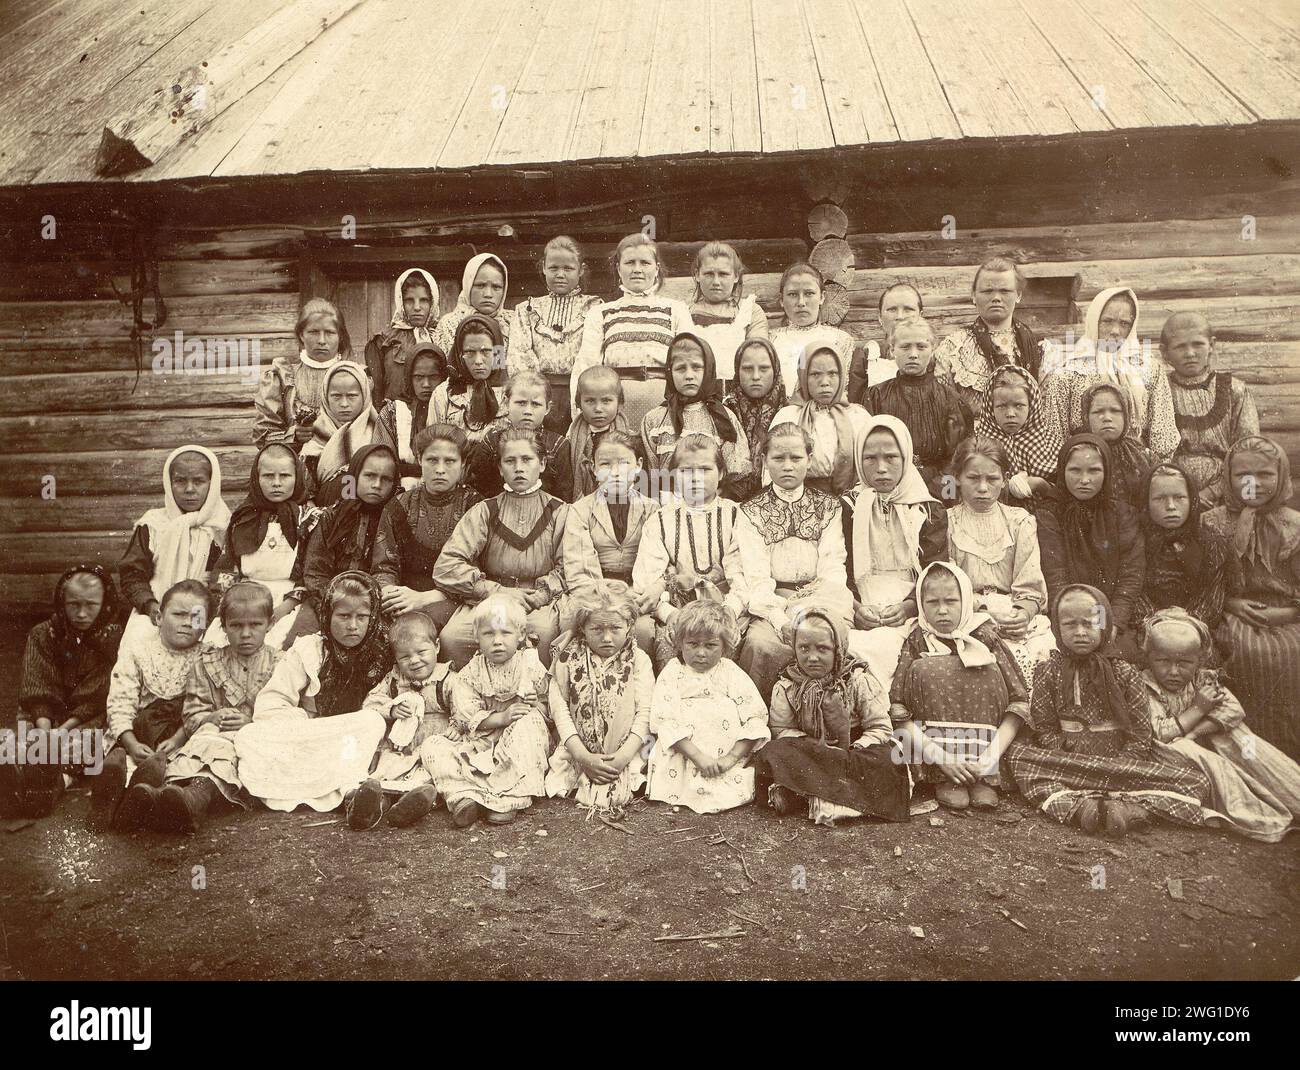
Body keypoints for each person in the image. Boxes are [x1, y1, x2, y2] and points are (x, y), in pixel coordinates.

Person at [1001, 585, 1210, 836]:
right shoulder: (1049, 671)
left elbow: (1140, 732)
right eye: (1069, 625)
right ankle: (1082, 809)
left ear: (1104, 624)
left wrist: (1123, 763)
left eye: (1089, 624)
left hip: (1119, 766)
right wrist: (1065, 750)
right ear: (1056, 627)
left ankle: (1131, 812)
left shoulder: (1124, 672)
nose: (1080, 632)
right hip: (1070, 764)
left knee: (1196, 781)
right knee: (1018, 757)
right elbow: (1045, 727)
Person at [116, 581, 279, 833]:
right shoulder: (208, 663)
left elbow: (288, 712)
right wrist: (211, 716)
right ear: (223, 627)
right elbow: (191, 714)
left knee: (226, 750)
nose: (246, 633)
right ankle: (161, 800)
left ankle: (194, 799)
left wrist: (251, 722)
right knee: (205, 742)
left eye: (255, 625)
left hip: (257, 738)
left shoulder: (281, 664)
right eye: (236, 625)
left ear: (270, 624)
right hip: (211, 736)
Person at [236, 572, 392, 812]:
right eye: (343, 616)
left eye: (362, 617)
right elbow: (271, 704)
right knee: (248, 735)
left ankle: (353, 794)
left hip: (353, 740)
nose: (353, 625)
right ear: (327, 615)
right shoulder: (309, 649)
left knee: (372, 721)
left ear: (372, 618)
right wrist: (305, 721)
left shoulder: (382, 655)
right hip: (312, 735)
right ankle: (348, 792)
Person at [1142, 608, 1299, 842]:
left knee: (1242, 740)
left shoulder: (1202, 679)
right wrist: (1198, 709)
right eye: (1163, 661)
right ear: (1148, 657)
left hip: (1197, 737)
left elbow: (1233, 710)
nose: (1173, 671)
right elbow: (1159, 733)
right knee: (1188, 749)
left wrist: (1194, 730)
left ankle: (1293, 795)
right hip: (1171, 753)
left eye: (1184, 663)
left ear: (1199, 660)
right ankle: (1258, 818)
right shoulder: (1145, 685)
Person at [631, 433, 780, 678]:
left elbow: (742, 575)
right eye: (686, 471)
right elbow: (646, 581)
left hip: (728, 607)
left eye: (705, 469)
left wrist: (728, 612)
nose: (696, 478)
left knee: (733, 653)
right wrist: (672, 615)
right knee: (672, 656)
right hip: (677, 610)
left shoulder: (737, 515)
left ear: (721, 473)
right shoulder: (660, 519)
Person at [890, 562, 1029, 811]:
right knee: (924, 670)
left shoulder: (985, 637)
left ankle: (984, 777)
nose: (942, 611)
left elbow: (1018, 702)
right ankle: (943, 777)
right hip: (939, 759)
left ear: (965, 599)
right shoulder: (918, 640)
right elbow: (898, 710)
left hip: (987, 757)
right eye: (933, 602)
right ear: (921, 604)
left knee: (989, 672)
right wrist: (943, 760)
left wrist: (988, 761)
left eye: (951, 601)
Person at [753, 606, 908, 826]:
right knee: (772, 751)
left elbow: (880, 728)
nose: (812, 657)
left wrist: (850, 741)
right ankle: (841, 800)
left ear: (838, 649)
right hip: (812, 749)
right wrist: (816, 745)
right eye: (804, 648)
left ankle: (806, 797)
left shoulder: (858, 681)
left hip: (856, 751)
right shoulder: (787, 685)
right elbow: (780, 729)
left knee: (889, 757)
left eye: (823, 649)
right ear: (794, 648)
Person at [433, 428, 568, 668]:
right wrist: (495, 590)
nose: (519, 468)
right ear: (499, 468)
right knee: (452, 638)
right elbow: (447, 565)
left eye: (527, 459)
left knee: (543, 632)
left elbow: (569, 565)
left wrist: (540, 595)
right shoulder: (485, 511)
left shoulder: (561, 512)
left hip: (537, 601)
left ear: (543, 463)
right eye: (510, 461)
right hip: (491, 597)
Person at [1203, 435, 1300, 760]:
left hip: (1288, 616)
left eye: (1264, 475)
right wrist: (1231, 604)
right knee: (1241, 652)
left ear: (1281, 475)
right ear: (1228, 477)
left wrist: (1285, 615)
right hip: (1233, 612)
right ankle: (1248, 754)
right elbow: (1206, 583)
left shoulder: (1295, 525)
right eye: (1242, 475)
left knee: (1291, 654)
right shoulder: (1212, 521)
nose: (1252, 483)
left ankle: (1289, 752)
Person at [3, 566, 127, 818]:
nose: (81, 613)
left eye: (91, 605)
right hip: (44, 717)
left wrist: (61, 732)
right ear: (62, 602)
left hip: (86, 719)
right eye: (73, 604)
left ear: (104, 603)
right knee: (19, 744)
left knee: (80, 749)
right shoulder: (43, 634)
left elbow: (96, 696)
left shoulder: (113, 639)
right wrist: (45, 731)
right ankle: (12, 788)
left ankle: (50, 788)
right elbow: (37, 685)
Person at [423, 595, 551, 828]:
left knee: (530, 723)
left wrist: (536, 703)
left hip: (517, 740)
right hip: (482, 739)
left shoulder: (529, 664)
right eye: (489, 634)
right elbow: (465, 712)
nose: (498, 641)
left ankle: (511, 797)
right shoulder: (472, 671)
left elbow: (550, 707)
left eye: (505, 633)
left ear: (521, 635)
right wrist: (500, 717)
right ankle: (463, 795)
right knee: (433, 745)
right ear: (476, 637)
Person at [842, 415, 947, 691]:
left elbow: (935, 569)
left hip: (910, 603)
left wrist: (911, 605)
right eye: (870, 459)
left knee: (892, 647)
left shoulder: (927, 509)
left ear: (906, 457)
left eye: (891, 458)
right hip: (860, 601)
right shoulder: (848, 508)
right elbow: (839, 567)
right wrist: (855, 608)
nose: (881, 469)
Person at [93, 580, 209, 828]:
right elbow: (120, 701)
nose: (188, 622)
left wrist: (179, 737)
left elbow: (202, 705)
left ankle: (135, 803)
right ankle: (107, 801)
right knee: (123, 762)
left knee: (175, 768)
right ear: (158, 617)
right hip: (138, 733)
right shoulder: (138, 652)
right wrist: (131, 742)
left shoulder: (208, 656)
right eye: (178, 615)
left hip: (179, 736)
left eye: (196, 617)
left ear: (206, 625)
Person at [645, 601, 771, 813]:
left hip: (727, 755)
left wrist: (730, 758)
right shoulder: (674, 672)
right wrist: (698, 757)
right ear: (680, 644)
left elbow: (755, 716)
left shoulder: (730, 671)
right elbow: (663, 719)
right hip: (686, 753)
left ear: (724, 646)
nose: (701, 653)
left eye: (710, 645)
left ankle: (724, 773)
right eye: (693, 644)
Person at [946, 437, 1055, 681]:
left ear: (1004, 480)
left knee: (1041, 655)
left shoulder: (1020, 521)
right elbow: (949, 586)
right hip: (968, 615)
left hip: (1014, 612)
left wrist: (1023, 614)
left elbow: (1031, 586)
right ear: (957, 480)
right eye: (973, 478)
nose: (983, 488)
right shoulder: (947, 523)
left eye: (992, 479)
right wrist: (986, 611)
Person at [545, 581, 654, 819]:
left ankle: (621, 771)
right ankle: (589, 767)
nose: (607, 638)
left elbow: (645, 712)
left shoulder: (639, 660)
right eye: (597, 629)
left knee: (647, 758)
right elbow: (559, 711)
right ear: (583, 627)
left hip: (629, 748)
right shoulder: (566, 659)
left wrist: (624, 756)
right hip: (578, 749)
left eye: (615, 628)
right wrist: (583, 757)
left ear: (629, 625)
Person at [346, 610, 456, 830]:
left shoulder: (448, 678)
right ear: (396, 658)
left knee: (430, 775)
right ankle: (371, 804)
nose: (414, 661)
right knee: (387, 770)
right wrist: (391, 708)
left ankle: (411, 807)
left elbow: (464, 705)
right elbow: (371, 701)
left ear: (436, 646)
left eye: (421, 652)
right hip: (401, 747)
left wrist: (457, 726)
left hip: (434, 744)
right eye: (405, 657)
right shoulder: (395, 679)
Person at [1036, 435, 1144, 657]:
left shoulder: (1122, 514)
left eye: (1094, 471)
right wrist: (1069, 626)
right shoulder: (1050, 514)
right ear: (1062, 471)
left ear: (1107, 473)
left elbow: (1130, 575)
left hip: (1110, 618)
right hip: (1067, 617)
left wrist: (1110, 625)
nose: (1084, 479)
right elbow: (1055, 576)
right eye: (1075, 470)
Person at [1040, 286, 1179, 458]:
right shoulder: (1068, 373)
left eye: (1124, 323)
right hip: (1086, 469)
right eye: (1107, 321)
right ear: (1094, 321)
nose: (1115, 331)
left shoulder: (1149, 368)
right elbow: (1055, 438)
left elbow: (1163, 435)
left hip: (1138, 468)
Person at [572, 233, 692, 429]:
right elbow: (586, 365)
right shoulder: (601, 312)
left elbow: (688, 359)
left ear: (657, 268)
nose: (637, 269)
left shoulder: (676, 309)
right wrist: (579, 414)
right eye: (630, 263)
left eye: (645, 263)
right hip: (615, 409)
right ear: (618, 268)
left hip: (664, 404)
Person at [118, 445, 229, 653]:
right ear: (169, 484)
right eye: (180, 481)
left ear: (212, 484)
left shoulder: (223, 526)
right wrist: (150, 606)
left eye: (198, 481)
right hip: (157, 607)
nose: (189, 489)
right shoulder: (153, 524)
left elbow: (226, 577)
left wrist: (208, 611)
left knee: (213, 647)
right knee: (139, 641)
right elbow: (132, 575)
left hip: (204, 612)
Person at [740, 423, 852, 629]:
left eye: (796, 458)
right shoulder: (751, 511)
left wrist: (821, 607)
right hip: (774, 603)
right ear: (765, 461)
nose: (788, 466)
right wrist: (780, 620)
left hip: (821, 598)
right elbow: (756, 577)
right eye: (778, 458)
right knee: (761, 646)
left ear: (809, 460)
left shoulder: (827, 505)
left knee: (831, 637)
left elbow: (833, 563)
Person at [372, 425, 481, 631]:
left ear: (463, 463)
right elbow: (384, 566)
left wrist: (424, 598)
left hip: (454, 600)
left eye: (450, 461)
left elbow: (479, 572)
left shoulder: (475, 507)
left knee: (416, 629)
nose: (440, 469)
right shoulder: (399, 506)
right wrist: (391, 594)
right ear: (420, 459)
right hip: (404, 597)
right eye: (432, 460)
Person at [287, 444, 399, 643]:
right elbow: (315, 571)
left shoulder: (394, 520)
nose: (376, 484)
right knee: (300, 641)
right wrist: (333, 603)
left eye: (386, 479)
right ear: (353, 477)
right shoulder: (331, 517)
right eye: (370, 476)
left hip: (372, 606)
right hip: (327, 601)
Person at [562, 430, 659, 653]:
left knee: (643, 630)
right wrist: (607, 596)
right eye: (605, 464)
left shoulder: (652, 509)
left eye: (624, 463)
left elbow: (657, 562)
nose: (615, 472)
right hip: (593, 592)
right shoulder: (580, 511)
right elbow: (579, 570)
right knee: (576, 625)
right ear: (593, 468)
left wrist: (646, 589)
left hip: (637, 591)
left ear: (638, 466)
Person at [212, 444, 308, 650]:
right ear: (257, 478)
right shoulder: (243, 517)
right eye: (268, 476)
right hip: (244, 598)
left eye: (284, 476)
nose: (276, 483)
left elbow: (312, 569)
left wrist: (287, 606)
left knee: (280, 647)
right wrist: (229, 602)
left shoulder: (308, 518)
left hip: (287, 601)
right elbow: (227, 564)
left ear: (297, 477)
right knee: (218, 644)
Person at [1162, 311, 1261, 508]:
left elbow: (1248, 451)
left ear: (1212, 346)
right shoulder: (1159, 390)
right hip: (1172, 497)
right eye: (1180, 346)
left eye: (1198, 344)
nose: (1190, 353)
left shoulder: (1234, 390)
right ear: (1165, 353)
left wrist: (1213, 492)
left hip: (1226, 494)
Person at [866, 317, 971, 499]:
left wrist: (941, 494)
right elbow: (868, 449)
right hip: (890, 484)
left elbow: (958, 455)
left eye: (921, 347)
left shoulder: (950, 399)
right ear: (892, 350)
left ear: (932, 349)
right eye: (905, 347)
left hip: (940, 486)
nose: (913, 354)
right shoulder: (876, 395)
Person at [507, 236, 601, 434]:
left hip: (578, 394)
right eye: (553, 268)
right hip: (537, 397)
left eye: (568, 269)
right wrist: (536, 396)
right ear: (543, 267)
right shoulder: (527, 310)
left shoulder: (594, 308)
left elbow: (594, 354)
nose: (560, 274)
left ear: (581, 270)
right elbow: (519, 355)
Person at [640, 331, 750, 499]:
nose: (689, 375)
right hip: (667, 506)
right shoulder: (654, 420)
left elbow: (736, 473)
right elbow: (651, 476)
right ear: (669, 372)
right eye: (680, 368)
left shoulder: (723, 418)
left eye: (697, 367)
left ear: (708, 370)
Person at [1132, 462, 1236, 636]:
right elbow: (1133, 590)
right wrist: (1151, 620)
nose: (1171, 506)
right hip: (1148, 628)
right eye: (1159, 499)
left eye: (1179, 497)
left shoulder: (1211, 542)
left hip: (1195, 629)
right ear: (1146, 502)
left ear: (1192, 499)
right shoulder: (1135, 541)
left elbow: (1211, 594)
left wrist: (1190, 621)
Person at [933, 257, 1045, 418]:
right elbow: (944, 408)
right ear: (973, 295)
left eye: (1005, 291)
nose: (996, 298)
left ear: (1018, 295)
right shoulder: (952, 348)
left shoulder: (1038, 347)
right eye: (987, 291)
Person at [769, 344, 871, 496]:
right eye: (815, 374)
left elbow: (870, 466)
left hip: (849, 501)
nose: (825, 382)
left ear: (842, 375)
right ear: (803, 376)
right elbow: (771, 469)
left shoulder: (858, 417)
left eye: (832, 373)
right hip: (799, 499)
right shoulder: (789, 416)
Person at [254, 298, 349, 449]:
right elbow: (263, 437)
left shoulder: (355, 377)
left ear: (341, 336)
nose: (322, 340)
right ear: (301, 335)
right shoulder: (281, 377)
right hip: (292, 467)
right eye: (313, 332)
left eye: (330, 333)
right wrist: (294, 435)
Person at [465, 369, 572, 501]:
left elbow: (564, 495)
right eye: (521, 403)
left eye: (536, 404)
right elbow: (478, 489)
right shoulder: (492, 441)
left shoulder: (558, 445)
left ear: (547, 408)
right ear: (506, 402)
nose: (528, 411)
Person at [971, 365, 1060, 510]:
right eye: (1001, 406)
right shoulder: (977, 444)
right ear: (990, 408)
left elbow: (1063, 493)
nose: (1010, 413)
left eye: (1019, 405)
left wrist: (1040, 484)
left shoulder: (1048, 442)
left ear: (1032, 406)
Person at [769, 262, 854, 398]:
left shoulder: (841, 340)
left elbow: (842, 390)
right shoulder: (771, 340)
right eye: (792, 294)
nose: (801, 302)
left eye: (809, 293)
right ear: (781, 300)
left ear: (821, 297)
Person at [364, 267, 441, 407]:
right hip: (396, 420)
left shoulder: (442, 336)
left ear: (432, 302)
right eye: (409, 300)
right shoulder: (383, 341)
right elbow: (376, 394)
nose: (417, 307)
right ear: (401, 302)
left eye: (424, 300)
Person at [722, 337, 787, 501]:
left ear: (775, 370)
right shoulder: (723, 411)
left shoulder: (789, 412)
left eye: (764, 368)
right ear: (737, 371)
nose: (756, 376)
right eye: (748, 369)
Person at [429, 314, 507, 448]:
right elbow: (434, 445)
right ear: (460, 355)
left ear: (497, 352)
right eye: (470, 353)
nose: (478, 361)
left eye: (486, 352)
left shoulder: (512, 392)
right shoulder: (444, 393)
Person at [686, 241, 768, 366]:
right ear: (697, 275)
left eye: (723, 274)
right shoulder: (684, 311)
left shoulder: (750, 311)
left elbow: (757, 356)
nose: (716, 282)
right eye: (709, 274)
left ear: (736, 276)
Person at [1079, 382, 1158, 510]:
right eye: (1098, 411)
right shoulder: (1077, 453)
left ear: (1126, 415)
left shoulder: (1142, 455)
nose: (1107, 418)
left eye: (1115, 411)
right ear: (1086, 417)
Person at [565, 364, 637, 502]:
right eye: (590, 401)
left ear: (620, 403)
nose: (598, 408)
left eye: (606, 401)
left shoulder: (630, 440)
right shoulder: (571, 438)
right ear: (578, 403)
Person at [376, 341, 445, 487]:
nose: (426, 384)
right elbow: (382, 458)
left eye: (433, 377)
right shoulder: (392, 411)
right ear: (409, 377)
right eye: (419, 377)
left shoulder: (450, 407)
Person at [847, 282, 924, 403]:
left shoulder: (930, 358)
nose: (900, 316)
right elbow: (856, 407)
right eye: (892, 309)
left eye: (908, 309)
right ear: (880, 318)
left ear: (920, 316)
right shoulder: (866, 356)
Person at [432, 253, 511, 355]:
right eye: (480, 285)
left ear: (504, 290)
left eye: (496, 287)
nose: (488, 294)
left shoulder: (512, 323)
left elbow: (501, 364)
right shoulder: (449, 325)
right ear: (468, 286)